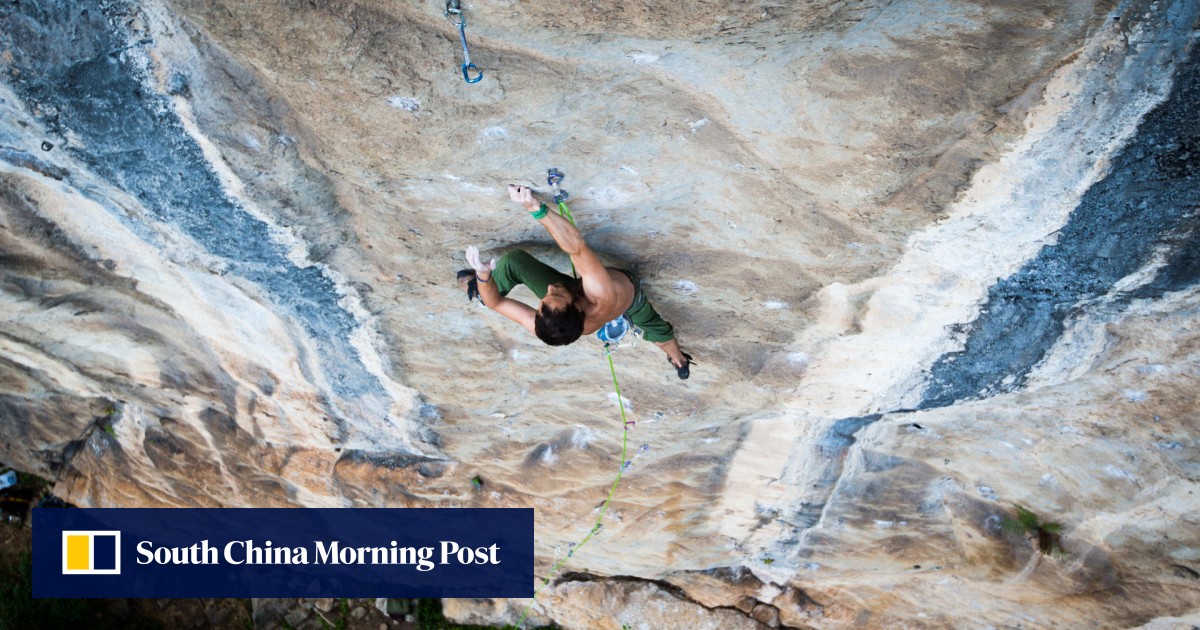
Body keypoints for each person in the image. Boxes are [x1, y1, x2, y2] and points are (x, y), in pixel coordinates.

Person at [459, 184, 694, 379]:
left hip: (602, 302)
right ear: (577, 306)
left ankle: (677, 359)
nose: (550, 288)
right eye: (555, 295)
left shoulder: (562, 316)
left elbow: (495, 304)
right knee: (655, 327)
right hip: (627, 298)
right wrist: (535, 208)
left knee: (514, 263)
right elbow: (576, 247)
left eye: (545, 298)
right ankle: (679, 359)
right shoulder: (589, 298)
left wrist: (483, 276)